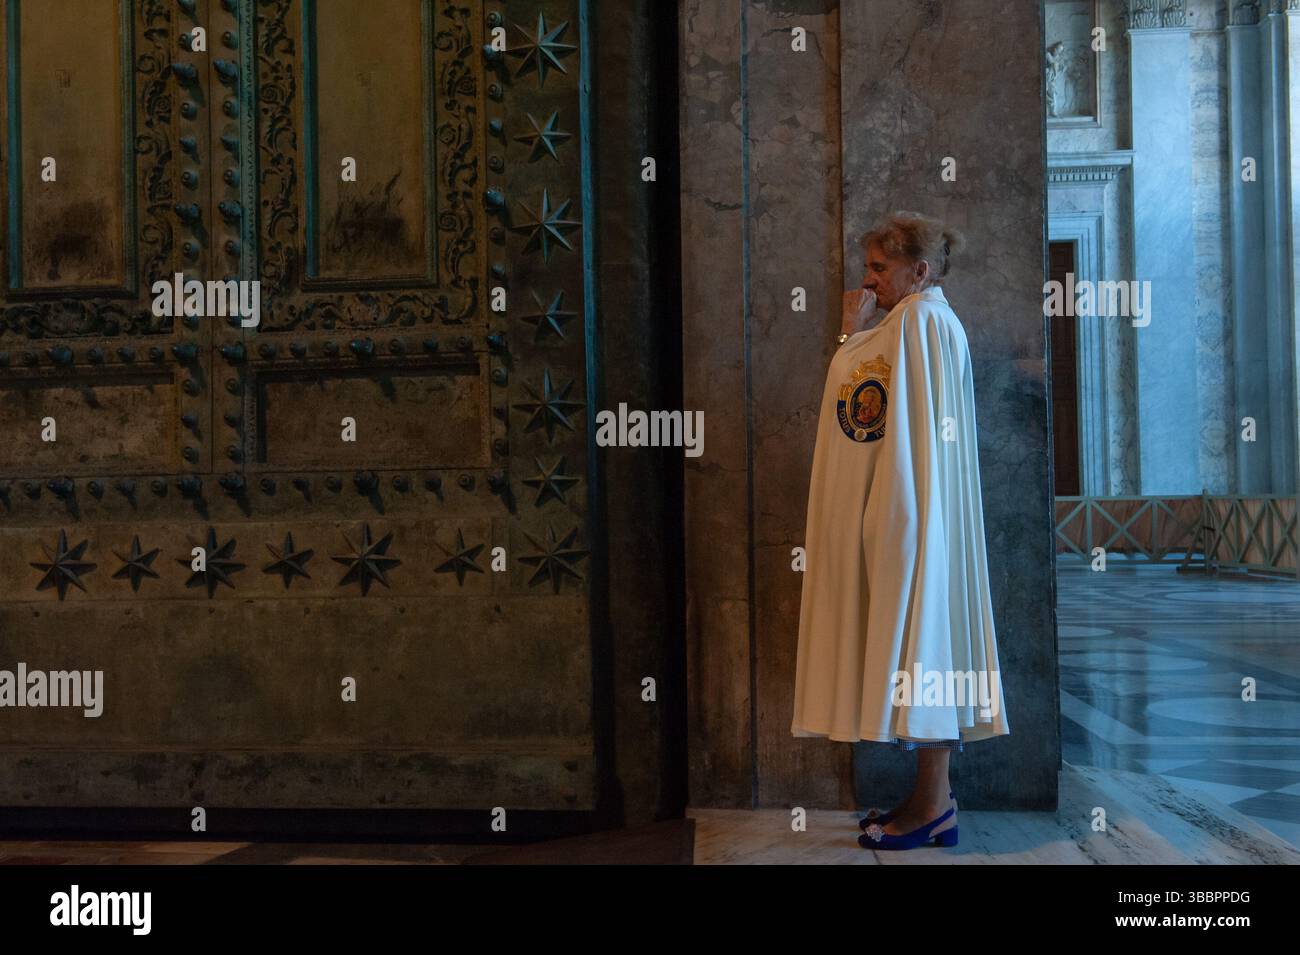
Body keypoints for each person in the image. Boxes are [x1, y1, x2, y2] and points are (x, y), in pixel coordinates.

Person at [790, 211, 1010, 851]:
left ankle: (933, 806)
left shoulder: (917, 321)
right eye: (868, 268)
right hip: (917, 509)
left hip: (909, 511)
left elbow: (866, 408)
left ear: (921, 269)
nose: (868, 281)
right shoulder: (927, 324)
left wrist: (846, 334)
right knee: (924, 640)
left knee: (923, 639)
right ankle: (929, 800)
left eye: (880, 268)